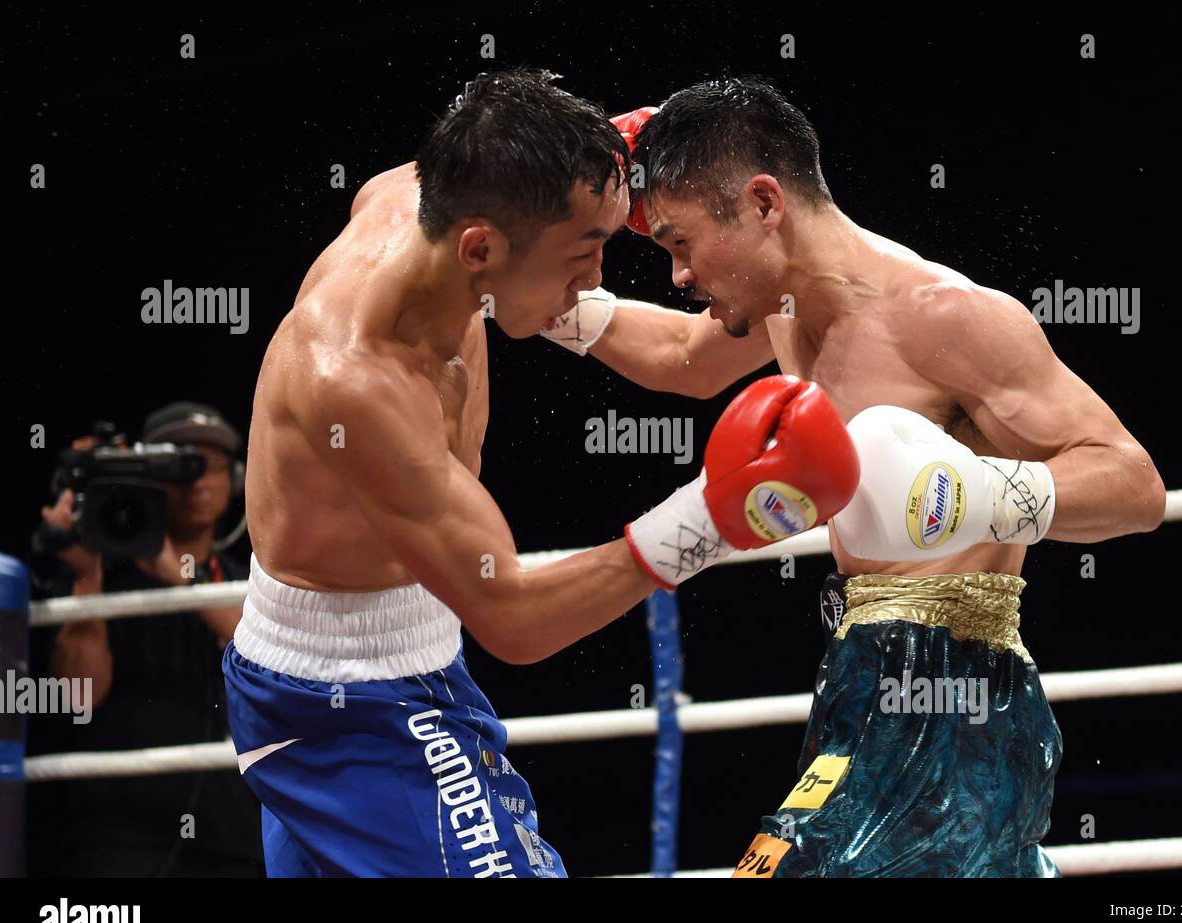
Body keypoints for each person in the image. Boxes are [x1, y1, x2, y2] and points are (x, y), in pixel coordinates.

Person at [222, 69, 858, 878]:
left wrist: (622, 170)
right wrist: (710, 517)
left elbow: (689, 359)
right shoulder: (353, 382)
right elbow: (513, 618)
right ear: (481, 248)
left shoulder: (444, 204)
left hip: (369, 666)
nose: (595, 276)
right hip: (351, 703)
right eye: (584, 252)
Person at [539, 78, 1166, 876]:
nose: (680, 276)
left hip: (956, 693)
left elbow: (1135, 486)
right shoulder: (786, 306)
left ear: (765, 203)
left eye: (681, 242)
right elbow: (680, 356)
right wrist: (535, 294)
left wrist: (970, 497)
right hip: (860, 678)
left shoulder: (943, 315)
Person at [30, 402, 262, 877]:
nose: (196, 480)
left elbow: (269, 659)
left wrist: (181, 579)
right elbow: (77, 696)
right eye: (179, 464)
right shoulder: (95, 575)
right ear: (148, 475)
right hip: (119, 836)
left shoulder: (250, 585)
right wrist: (87, 576)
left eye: (209, 464)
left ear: (235, 479)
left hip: (234, 840)